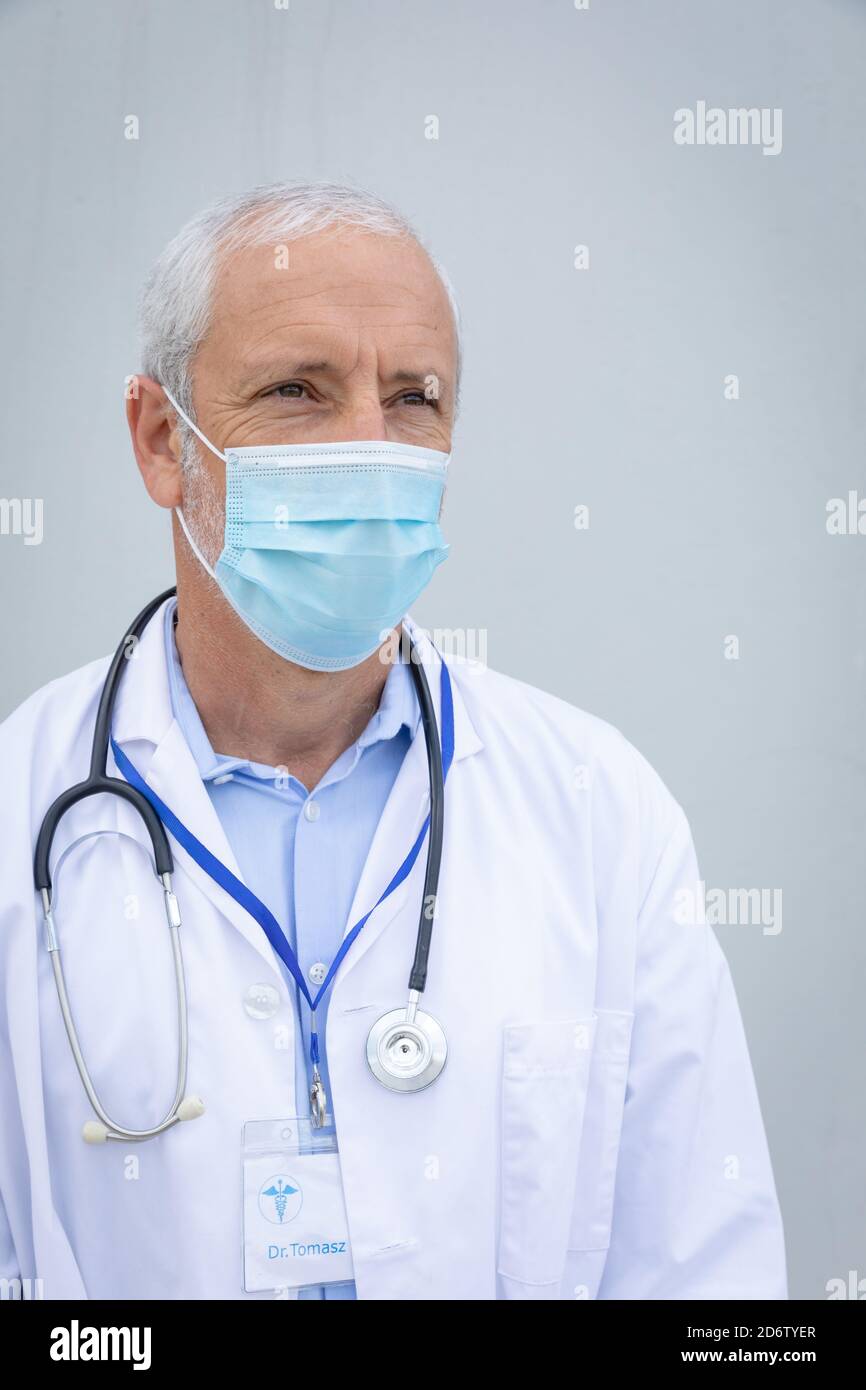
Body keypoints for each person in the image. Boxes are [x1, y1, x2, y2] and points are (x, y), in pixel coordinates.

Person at [0, 182, 786, 1301]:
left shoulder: (596, 807)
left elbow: (708, 1283)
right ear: (161, 439)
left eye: (411, 398)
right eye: (296, 391)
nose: (370, 447)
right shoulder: (18, 811)